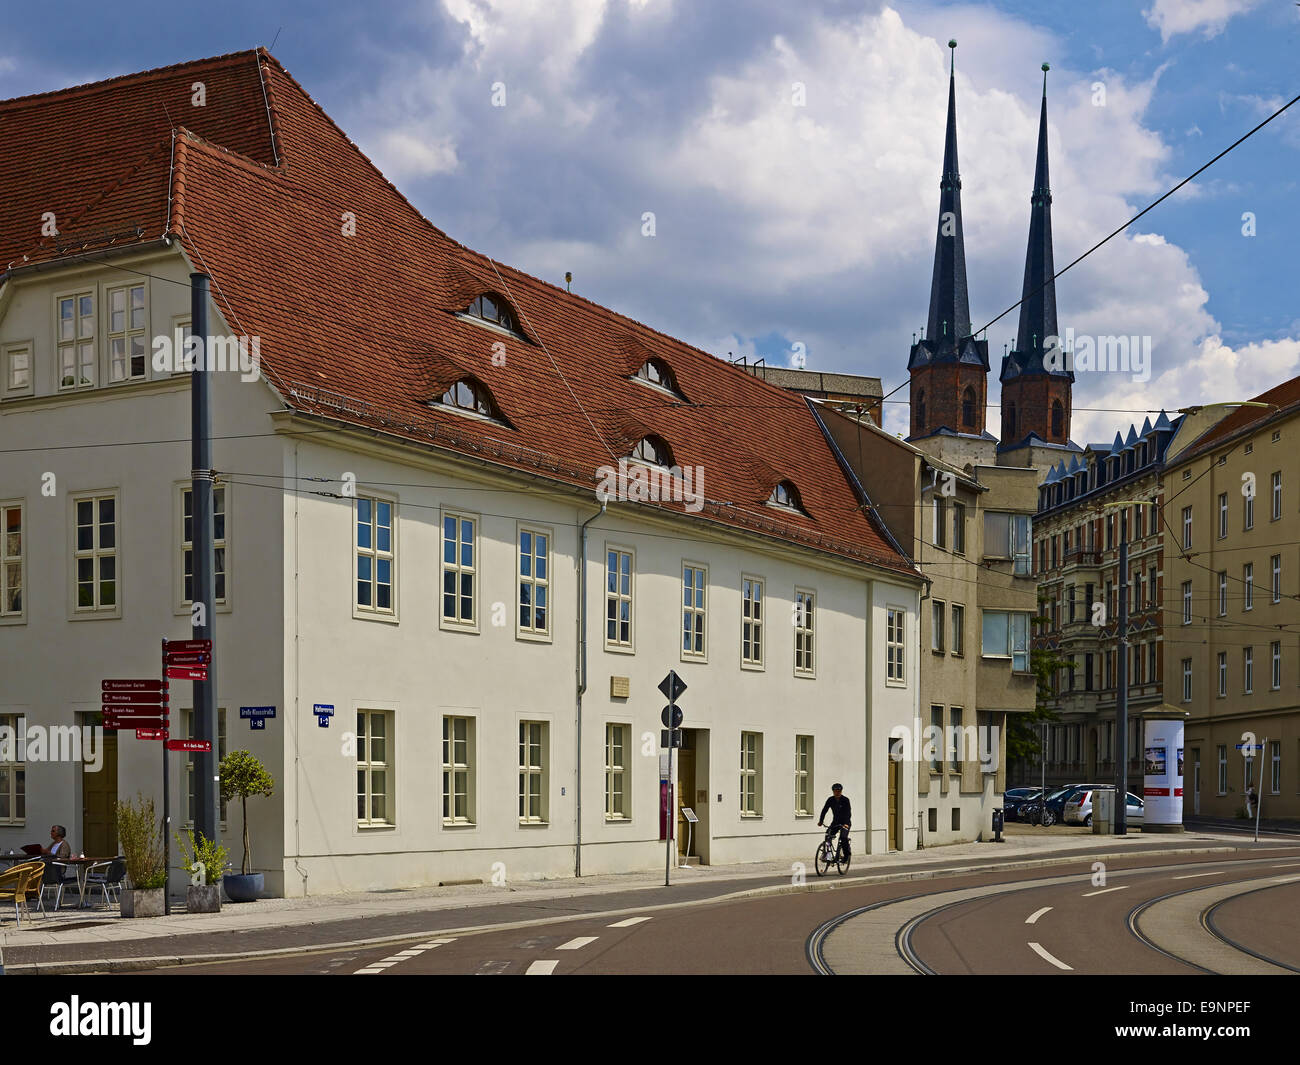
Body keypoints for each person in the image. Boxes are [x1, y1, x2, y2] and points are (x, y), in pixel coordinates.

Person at [817, 784, 852, 860]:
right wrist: (821, 821)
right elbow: (824, 810)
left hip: (845, 823)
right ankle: (827, 854)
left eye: (839, 791)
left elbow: (848, 813)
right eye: (835, 791)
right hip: (835, 822)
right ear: (833, 791)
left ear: (841, 791)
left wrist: (846, 823)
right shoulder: (830, 800)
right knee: (828, 835)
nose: (837, 793)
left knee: (843, 837)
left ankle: (846, 855)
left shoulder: (845, 800)